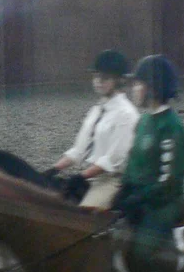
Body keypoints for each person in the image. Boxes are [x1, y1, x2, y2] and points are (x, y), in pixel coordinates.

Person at [112, 54, 184, 272]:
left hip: (164, 203)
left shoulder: (171, 127)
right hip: (140, 198)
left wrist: (138, 199)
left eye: (139, 84)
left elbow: (169, 183)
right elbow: (134, 165)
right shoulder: (144, 121)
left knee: (144, 252)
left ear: (153, 88)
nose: (134, 89)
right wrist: (123, 193)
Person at [48, 49, 139, 209]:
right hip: (91, 176)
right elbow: (79, 150)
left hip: (113, 180)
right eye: (96, 76)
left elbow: (113, 160)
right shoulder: (96, 110)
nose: (98, 81)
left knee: (82, 216)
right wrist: (53, 170)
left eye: (105, 78)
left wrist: (81, 177)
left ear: (119, 80)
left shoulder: (127, 114)